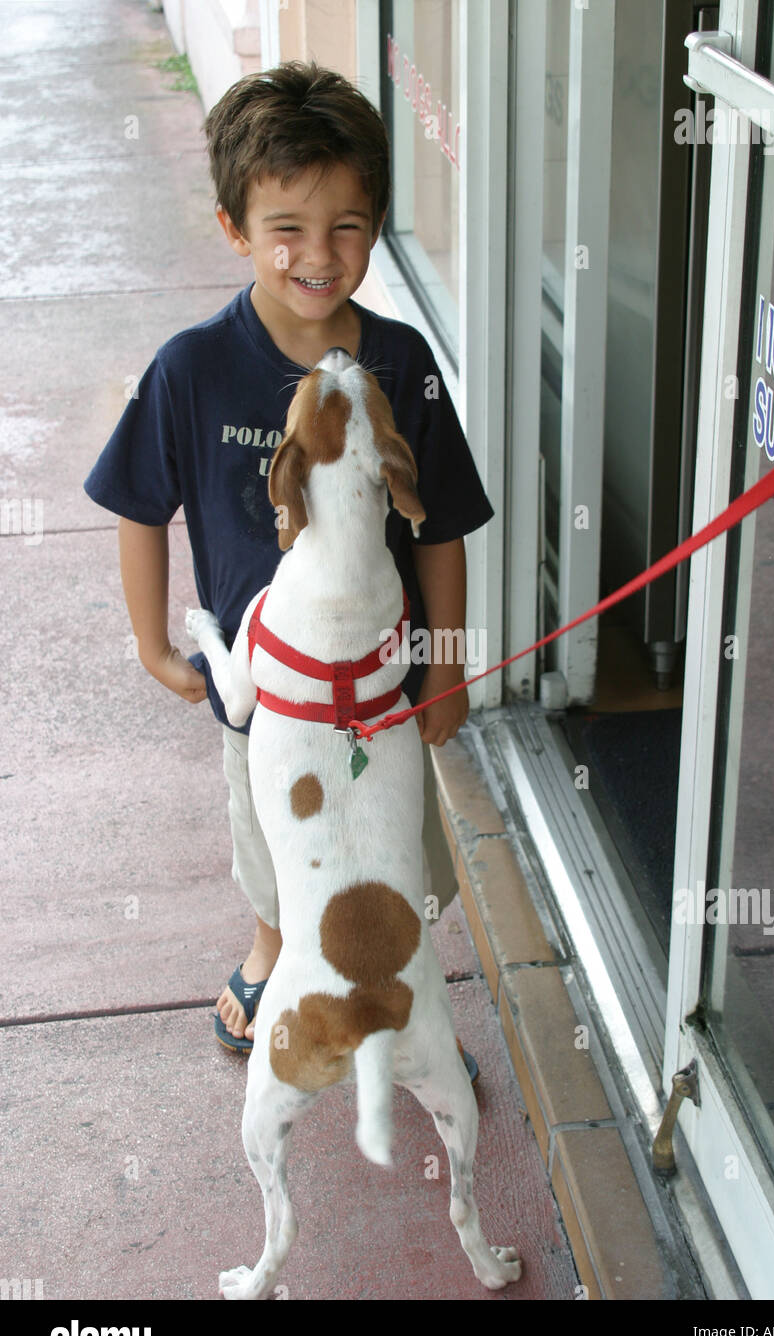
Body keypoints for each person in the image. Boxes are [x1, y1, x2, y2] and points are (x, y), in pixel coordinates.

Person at [84, 61, 492, 1068]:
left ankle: (396, 986)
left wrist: (444, 665)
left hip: (383, 699)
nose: (318, 254)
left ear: (380, 222)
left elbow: (438, 526)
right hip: (265, 708)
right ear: (233, 226)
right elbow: (139, 505)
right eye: (286, 228)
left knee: (399, 860)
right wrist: (151, 644)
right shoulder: (189, 368)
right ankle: (273, 943)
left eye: (347, 225)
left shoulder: (400, 364)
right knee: (269, 852)